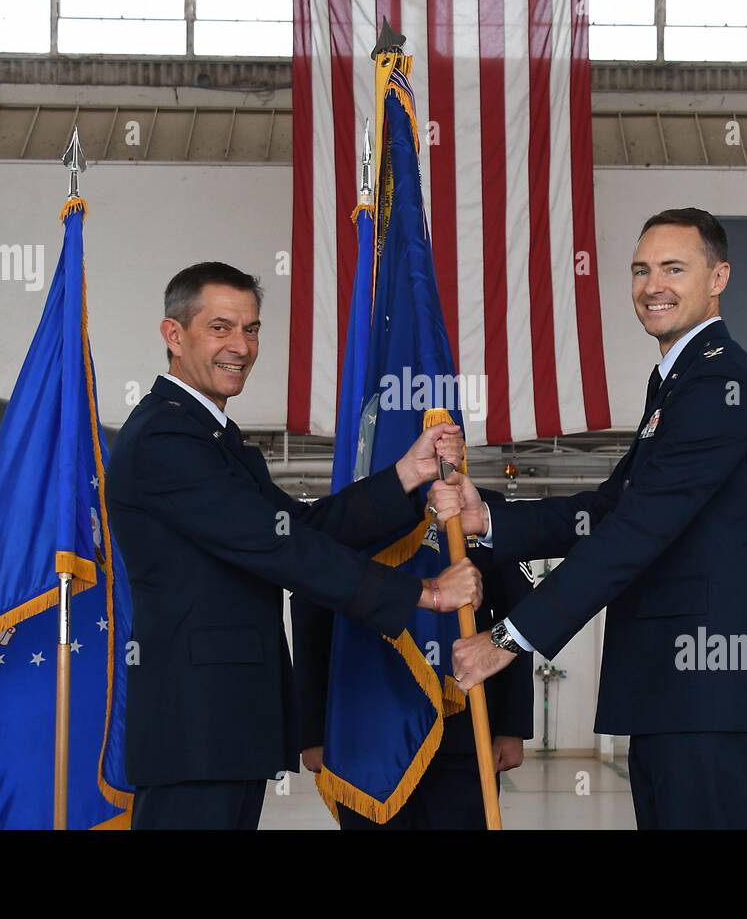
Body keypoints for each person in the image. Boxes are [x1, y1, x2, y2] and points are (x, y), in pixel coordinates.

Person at [435, 208, 747, 829]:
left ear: (719, 277)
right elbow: (604, 511)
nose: (652, 284)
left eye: (674, 268)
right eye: (641, 270)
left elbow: (635, 533)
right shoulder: (680, 384)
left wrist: (508, 638)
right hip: (672, 687)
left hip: (708, 685)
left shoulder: (719, 386)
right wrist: (489, 520)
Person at [107, 261, 482, 829]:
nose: (241, 345)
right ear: (174, 335)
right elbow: (278, 550)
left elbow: (303, 529)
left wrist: (406, 474)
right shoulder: (167, 435)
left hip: (223, 722)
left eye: (251, 329)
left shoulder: (213, 437)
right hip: (195, 723)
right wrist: (423, 593)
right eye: (221, 327)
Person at [293, 487, 534, 830]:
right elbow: (311, 617)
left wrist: (512, 726)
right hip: (363, 727)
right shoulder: (344, 510)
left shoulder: (485, 508)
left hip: (463, 727)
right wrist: (313, 730)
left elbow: (514, 618)